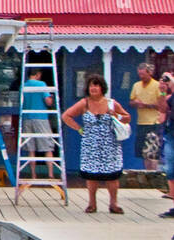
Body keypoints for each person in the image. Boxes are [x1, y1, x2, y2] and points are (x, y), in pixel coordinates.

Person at [62, 74, 130, 215]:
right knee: (92, 176)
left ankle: (113, 203)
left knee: (112, 176)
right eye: (91, 85)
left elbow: (127, 117)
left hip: (110, 145)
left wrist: (115, 115)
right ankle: (92, 203)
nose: (93, 88)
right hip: (91, 145)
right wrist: (79, 129)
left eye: (96, 85)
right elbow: (66, 116)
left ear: (102, 87)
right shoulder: (84, 103)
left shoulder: (112, 103)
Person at [20, 72, 57, 179]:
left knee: (31, 149)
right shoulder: (42, 85)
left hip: (27, 118)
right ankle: (50, 174)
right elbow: (48, 102)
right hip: (41, 117)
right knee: (47, 147)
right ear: (39, 74)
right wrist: (52, 98)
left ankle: (33, 175)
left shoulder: (24, 86)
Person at [129, 62, 164, 172]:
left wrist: (146, 105)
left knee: (152, 152)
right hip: (141, 122)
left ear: (150, 73)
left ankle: (154, 174)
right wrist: (136, 103)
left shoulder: (157, 85)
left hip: (153, 122)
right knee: (143, 152)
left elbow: (161, 105)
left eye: (143, 74)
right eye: (139, 74)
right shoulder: (136, 85)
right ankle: (147, 173)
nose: (141, 76)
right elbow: (131, 101)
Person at [157, 72, 174, 219]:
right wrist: (162, 91)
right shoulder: (171, 97)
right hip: (172, 136)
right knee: (170, 170)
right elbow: (162, 110)